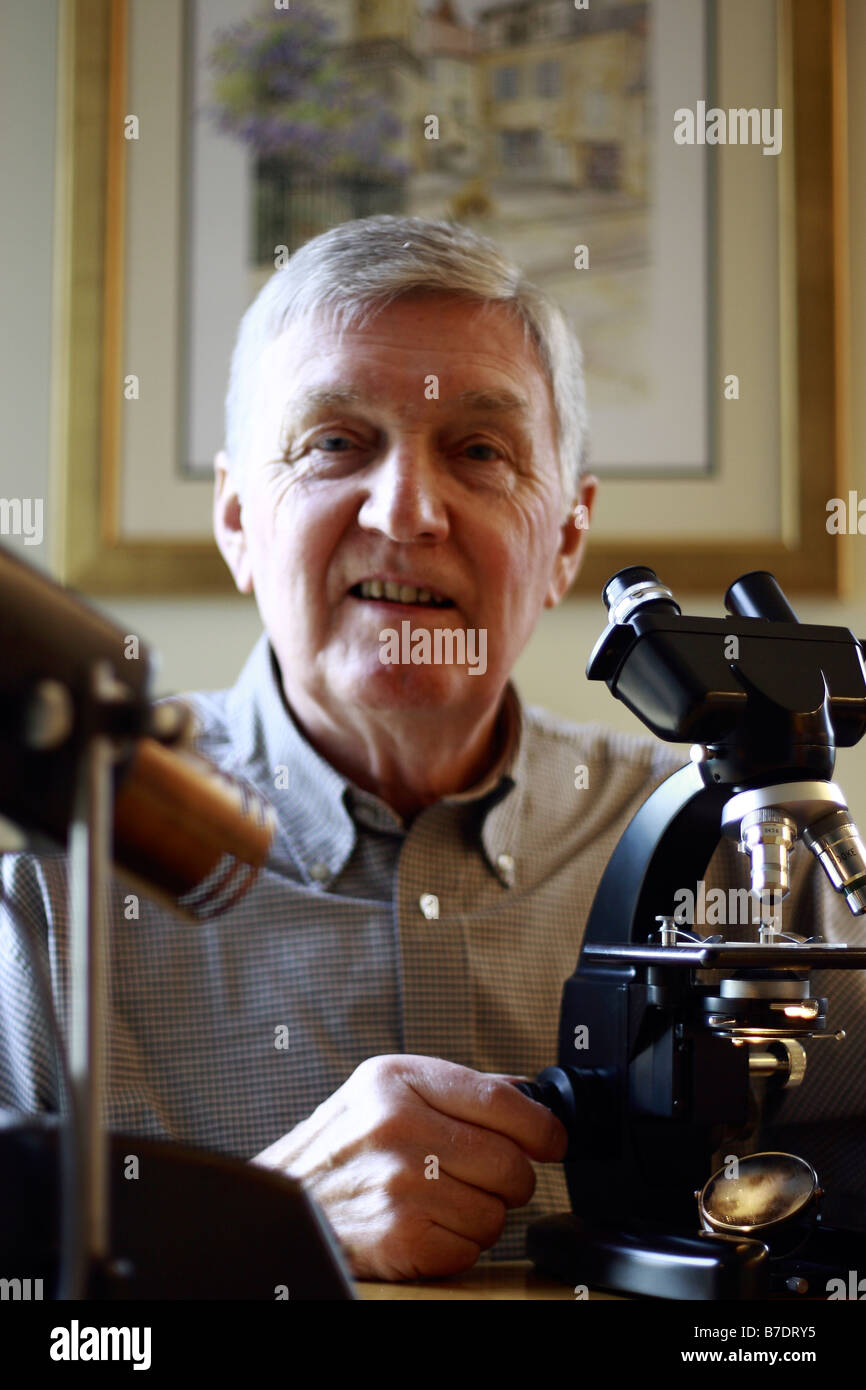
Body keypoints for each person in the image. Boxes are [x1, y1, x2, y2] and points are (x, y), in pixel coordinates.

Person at [2, 217, 865, 1283]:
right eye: (333, 442)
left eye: (477, 451)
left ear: (564, 538)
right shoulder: (43, 902)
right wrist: (259, 1234)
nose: (407, 511)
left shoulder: (740, 846)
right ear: (235, 519)